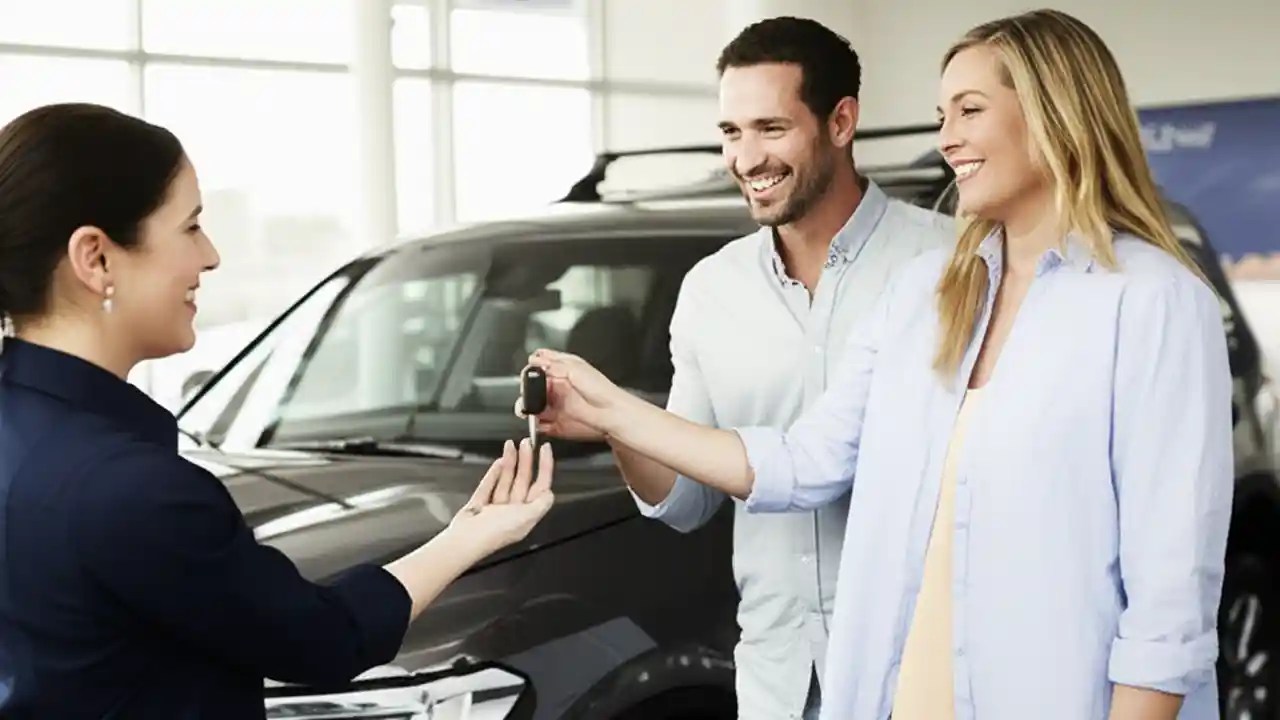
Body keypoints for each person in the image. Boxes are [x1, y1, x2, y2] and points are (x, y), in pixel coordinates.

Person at [526, 9, 1234, 720]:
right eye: (942, 113)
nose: (947, 138)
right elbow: (800, 464)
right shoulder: (926, 294)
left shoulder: (1154, 303)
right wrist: (611, 410)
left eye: (970, 109)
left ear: (1054, 113)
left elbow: (1169, 602)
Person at [0, 103, 555, 719]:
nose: (209, 256)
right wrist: (470, 535)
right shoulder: (130, 486)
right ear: (96, 258)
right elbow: (322, 640)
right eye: (189, 228)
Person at [519, 16, 952, 720]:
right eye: (730, 132)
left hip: (918, 679)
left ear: (841, 121)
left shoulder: (950, 264)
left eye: (770, 129)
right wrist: (609, 423)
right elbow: (685, 502)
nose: (746, 157)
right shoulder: (712, 290)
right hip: (778, 687)